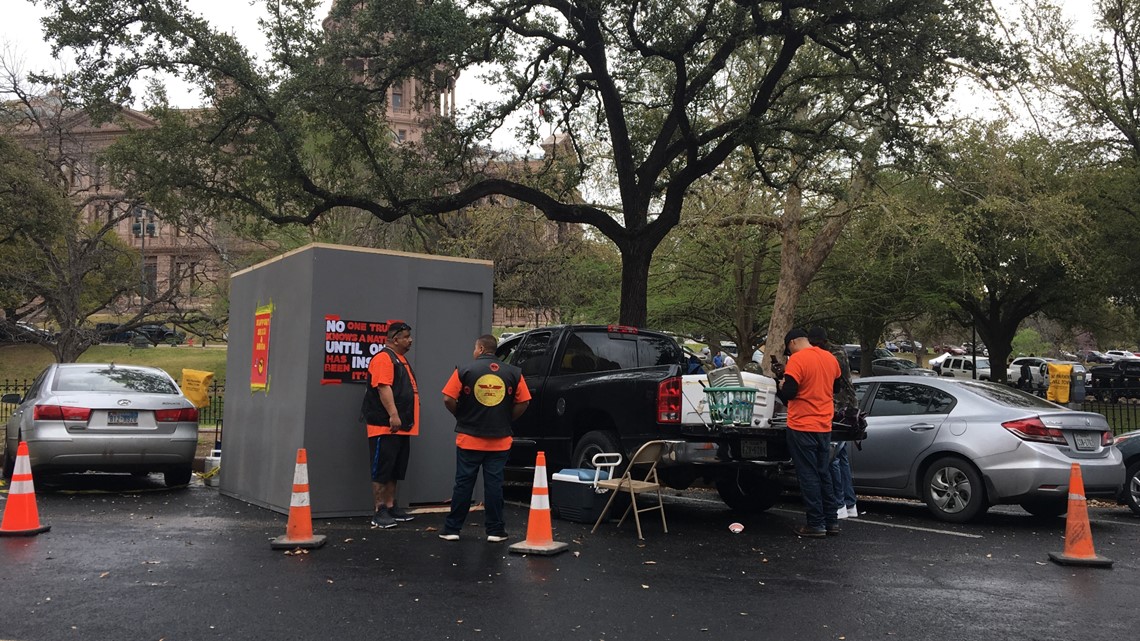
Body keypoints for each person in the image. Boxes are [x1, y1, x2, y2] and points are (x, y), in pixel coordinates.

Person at [439, 334, 531, 542]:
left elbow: (447, 397)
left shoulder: (464, 370)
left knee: (463, 484)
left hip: (469, 438)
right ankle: (495, 531)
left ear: (480, 349)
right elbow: (524, 402)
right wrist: (507, 419)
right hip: (499, 441)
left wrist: (460, 415)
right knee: (494, 485)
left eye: (474, 348)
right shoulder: (514, 373)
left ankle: (452, 529)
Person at [775, 328, 842, 538]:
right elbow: (837, 387)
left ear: (793, 343)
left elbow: (789, 394)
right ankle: (832, 521)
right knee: (824, 473)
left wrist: (781, 385)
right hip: (824, 424)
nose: (788, 353)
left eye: (788, 349)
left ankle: (815, 523)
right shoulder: (830, 358)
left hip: (802, 424)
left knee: (808, 475)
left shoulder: (797, 359)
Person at [364, 321, 420, 529]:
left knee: (395, 469)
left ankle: (390, 506)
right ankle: (379, 511)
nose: (410, 340)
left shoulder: (399, 359)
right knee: (382, 468)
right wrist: (394, 414)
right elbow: (383, 387)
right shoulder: (383, 358)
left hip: (401, 427)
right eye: (406, 337)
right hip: (385, 426)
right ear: (395, 339)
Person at [807, 327, 858, 521]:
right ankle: (849, 502)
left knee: (832, 456)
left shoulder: (833, 354)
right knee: (841, 456)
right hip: (847, 406)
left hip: (839, 407)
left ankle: (839, 504)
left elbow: (831, 379)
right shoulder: (838, 351)